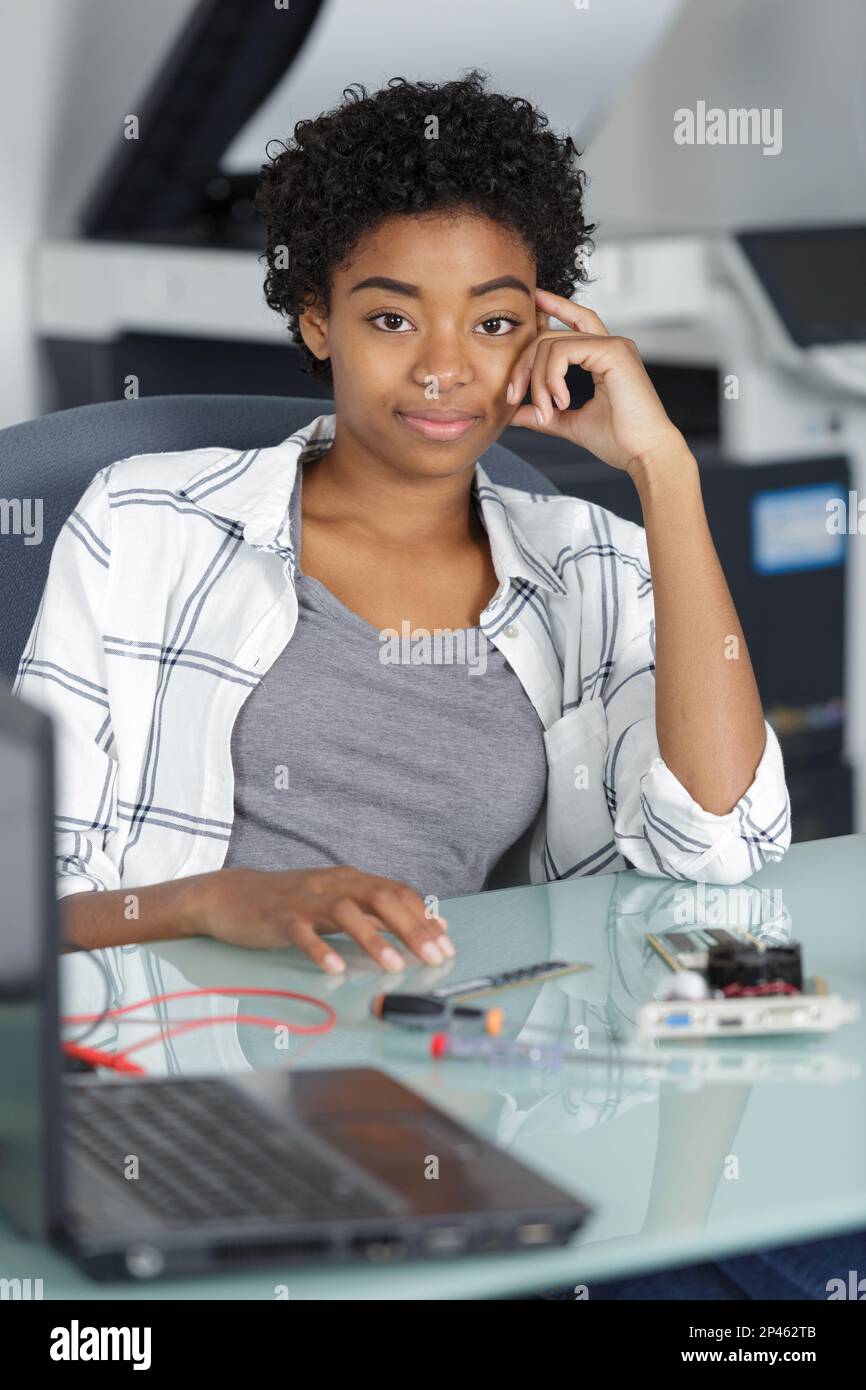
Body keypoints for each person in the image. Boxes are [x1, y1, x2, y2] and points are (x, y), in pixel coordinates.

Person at [14, 71, 790, 975]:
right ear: (317, 321)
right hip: (184, 1059)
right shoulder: (142, 524)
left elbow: (720, 850)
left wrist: (667, 471)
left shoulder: (596, 567)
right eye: (391, 318)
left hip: (451, 1052)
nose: (443, 369)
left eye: (494, 322)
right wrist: (213, 902)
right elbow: (26, 901)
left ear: (543, 335)